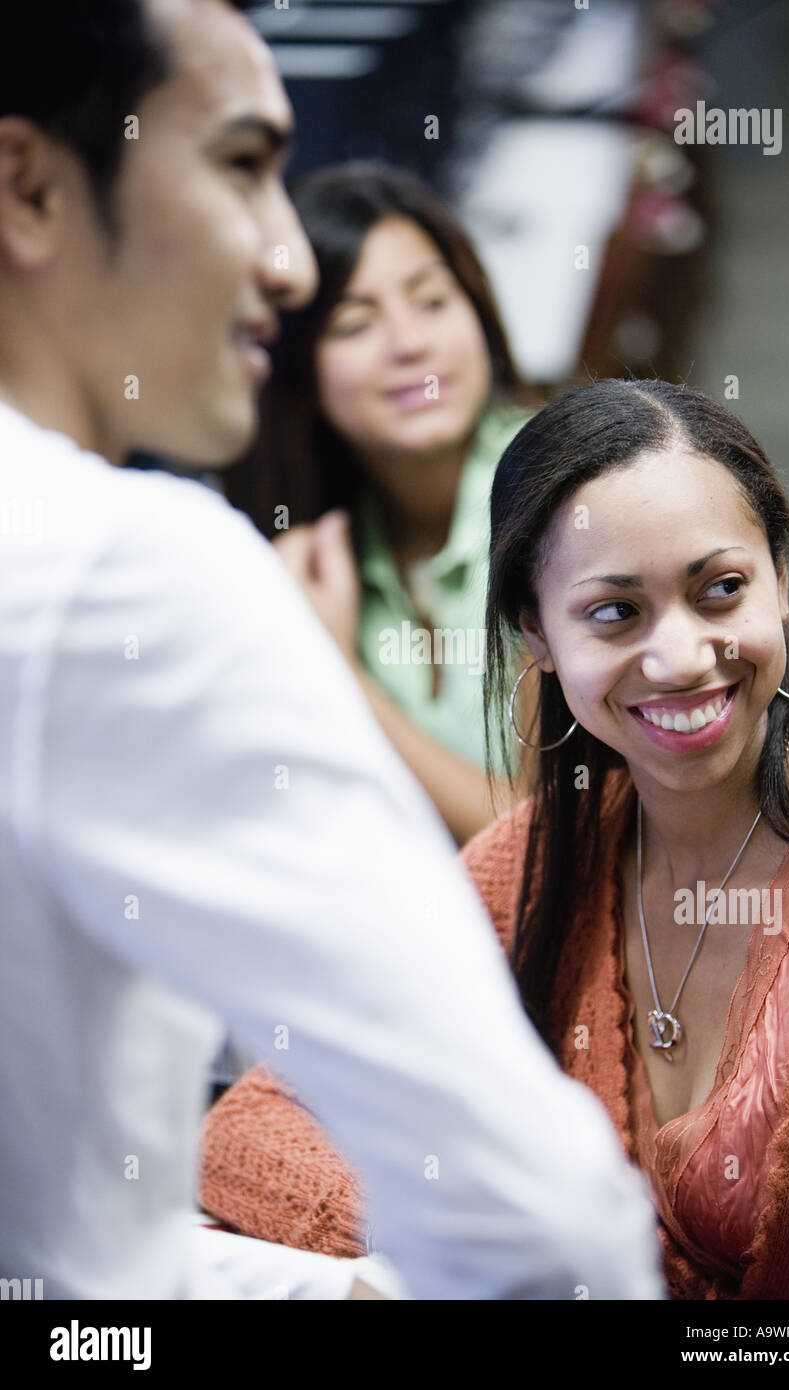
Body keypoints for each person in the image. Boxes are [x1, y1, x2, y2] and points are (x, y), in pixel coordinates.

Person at [0, 0, 663, 1301]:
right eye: (242, 165)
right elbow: (541, 1225)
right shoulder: (132, 562)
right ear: (28, 187)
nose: (285, 261)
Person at [198, 379, 789, 1300]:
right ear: (535, 636)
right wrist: (490, 1256)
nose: (679, 658)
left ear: (778, 583)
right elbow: (253, 1123)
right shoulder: (542, 857)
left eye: (721, 591)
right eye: (614, 612)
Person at [227, 161, 539, 846]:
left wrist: (335, 678)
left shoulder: (565, 502)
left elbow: (533, 840)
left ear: (480, 317)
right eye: (354, 323)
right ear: (298, 370)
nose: (409, 344)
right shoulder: (309, 554)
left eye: (432, 301)